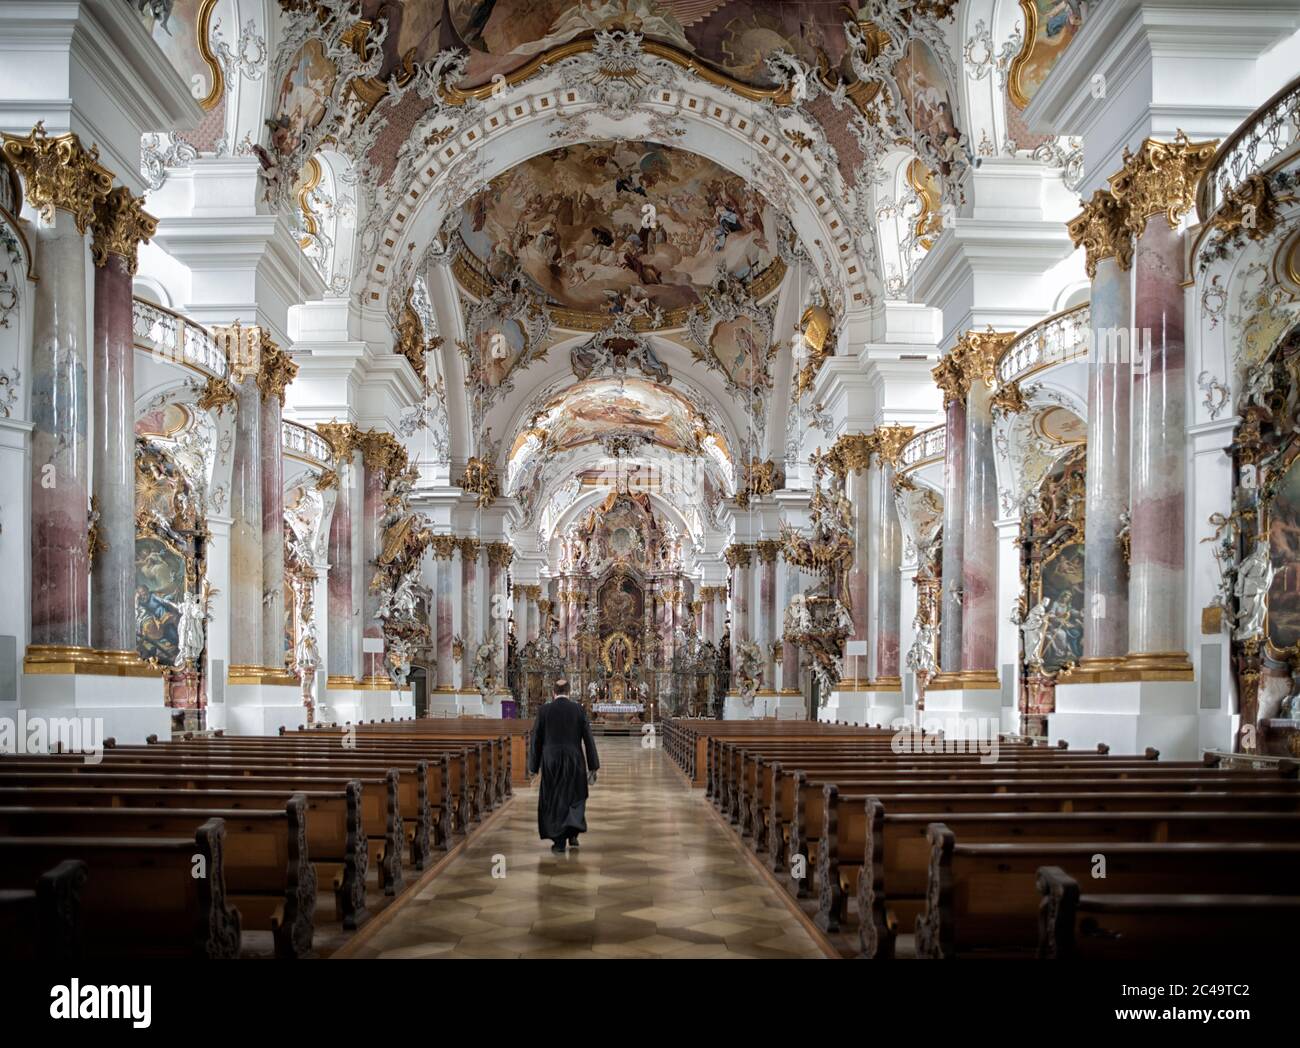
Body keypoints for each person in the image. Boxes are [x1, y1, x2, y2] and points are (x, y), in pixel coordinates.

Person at [527, 678, 600, 853]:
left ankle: (559, 841)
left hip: (551, 760)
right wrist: (593, 765)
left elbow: (536, 739)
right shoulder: (578, 709)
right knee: (575, 795)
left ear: (554, 692)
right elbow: (588, 738)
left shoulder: (544, 710)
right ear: (569, 692)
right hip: (574, 758)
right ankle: (573, 832)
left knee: (554, 798)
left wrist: (533, 766)